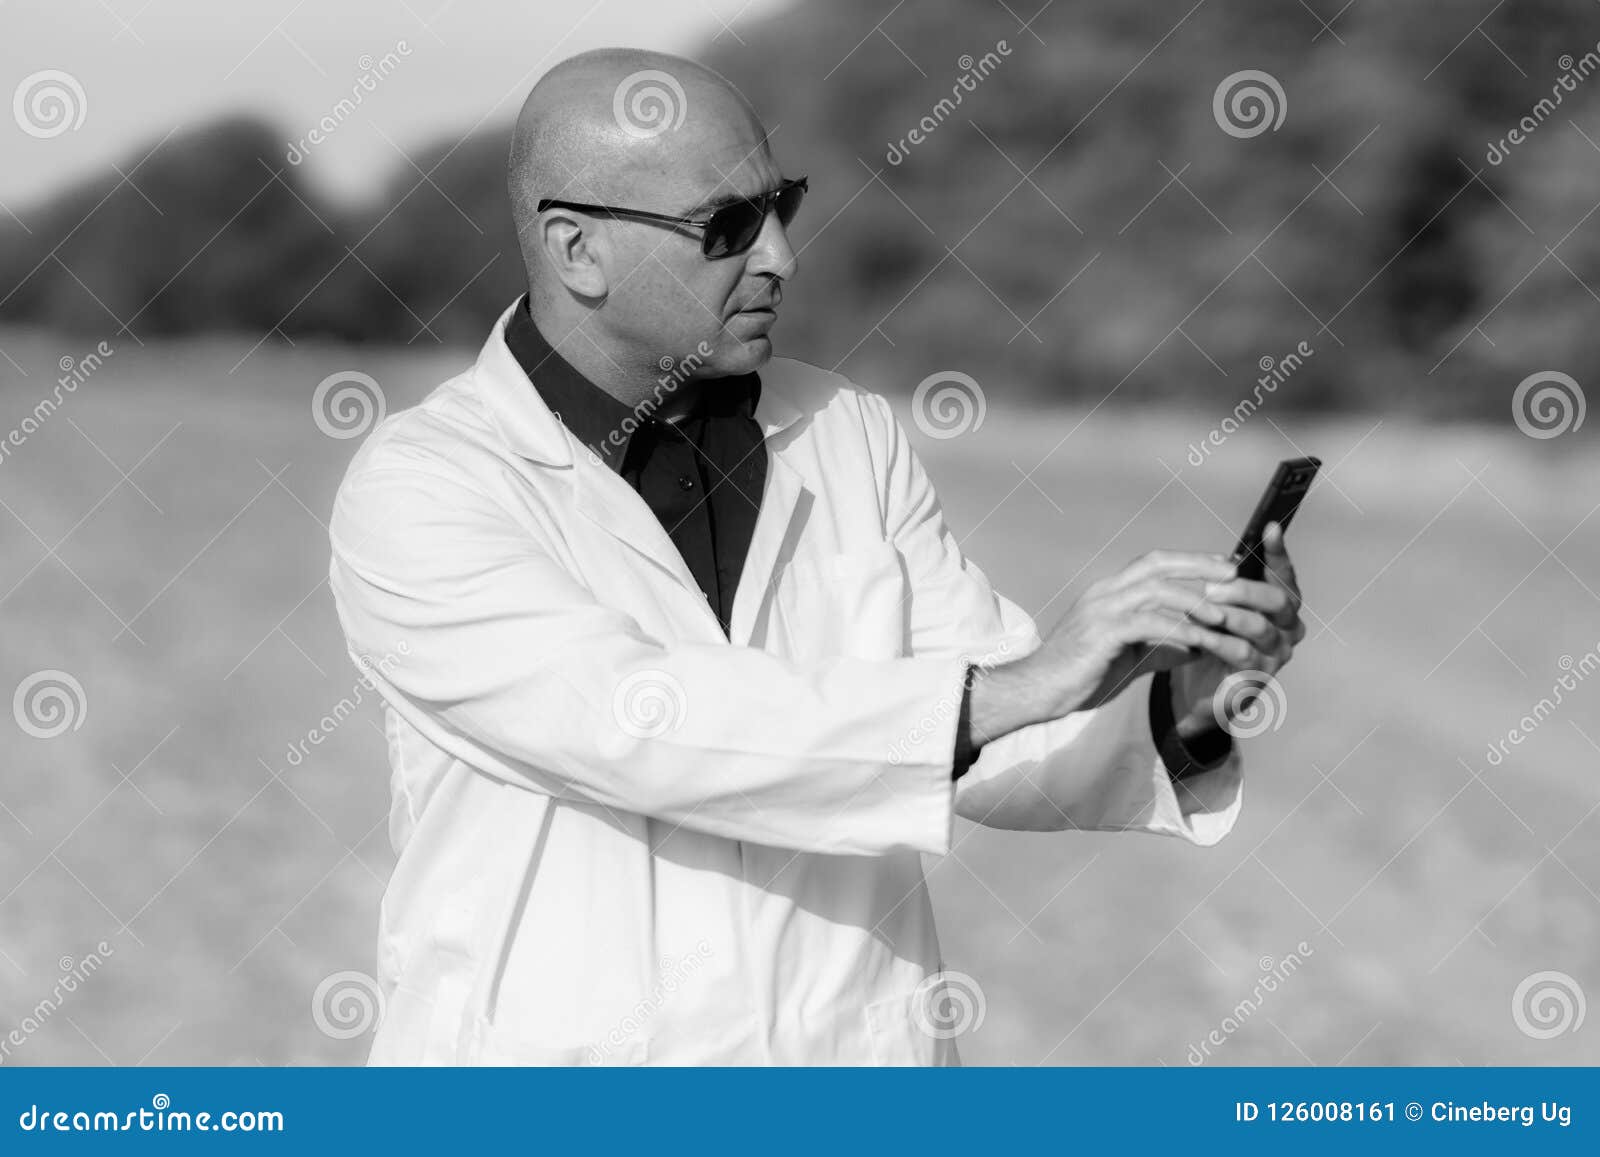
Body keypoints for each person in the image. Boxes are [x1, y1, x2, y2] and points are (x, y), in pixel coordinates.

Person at [327, 46, 1305, 1065]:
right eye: (727, 226)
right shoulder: (426, 485)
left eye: (780, 205)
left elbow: (987, 735)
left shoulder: (849, 430)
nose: (781, 257)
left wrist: (1189, 700)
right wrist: (1014, 688)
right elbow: (640, 728)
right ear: (577, 249)